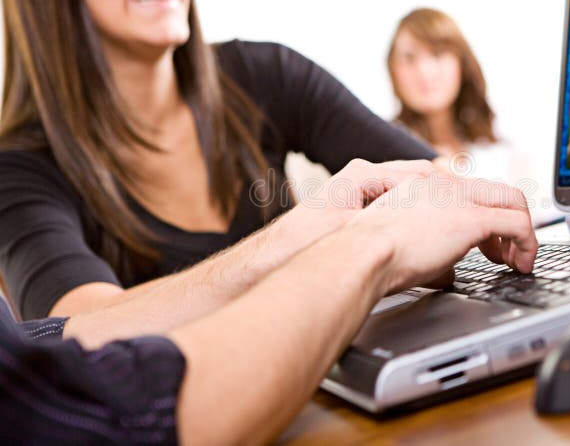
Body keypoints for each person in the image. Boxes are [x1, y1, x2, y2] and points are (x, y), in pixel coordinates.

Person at [0, 0, 437, 324]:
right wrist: (302, 238)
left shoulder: (265, 75)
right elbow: (75, 327)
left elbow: (439, 182)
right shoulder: (20, 169)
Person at [1, 163, 539, 443]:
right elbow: (119, 414)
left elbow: (49, 345)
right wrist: (374, 246)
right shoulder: (22, 166)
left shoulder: (260, 70)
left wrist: (288, 241)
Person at [387, 7, 511, 181]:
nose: (424, 72)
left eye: (437, 54)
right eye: (409, 58)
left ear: (462, 63)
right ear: (392, 70)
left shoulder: (502, 148)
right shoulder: (384, 156)